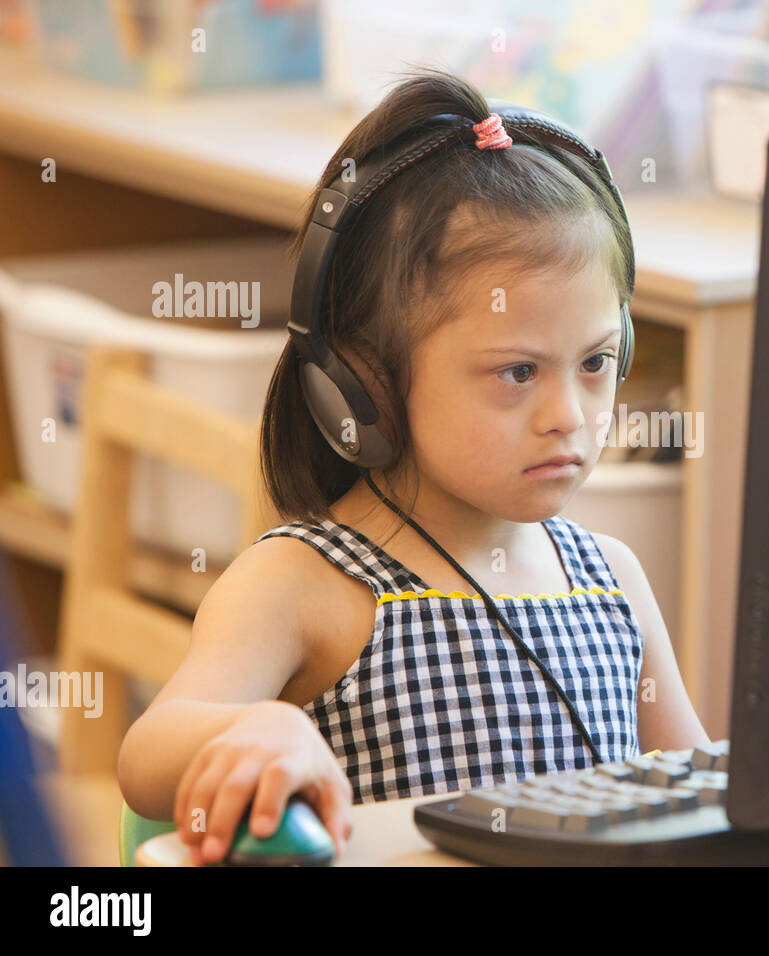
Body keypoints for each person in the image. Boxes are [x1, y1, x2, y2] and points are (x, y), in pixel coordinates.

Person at [118, 69, 709, 866]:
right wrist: (256, 728)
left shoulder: (612, 582)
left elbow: (698, 805)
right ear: (366, 383)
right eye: (519, 373)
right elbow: (146, 758)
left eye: (597, 361)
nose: (570, 412)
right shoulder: (304, 584)